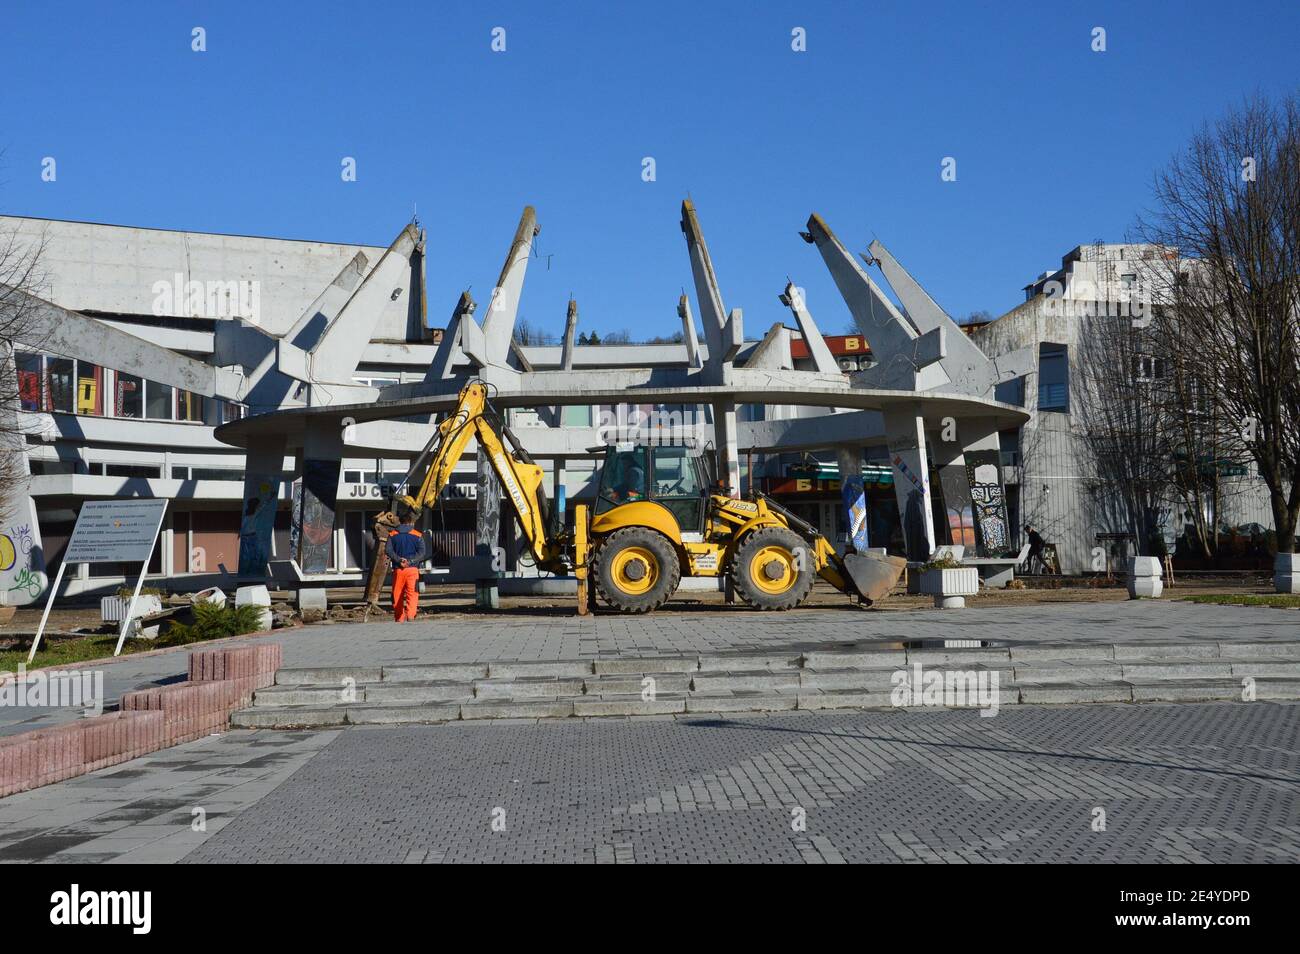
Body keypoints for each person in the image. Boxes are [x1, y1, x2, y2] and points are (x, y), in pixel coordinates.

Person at [385, 515, 426, 622]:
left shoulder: (392, 535)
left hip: (398, 570)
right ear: (410, 523)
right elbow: (422, 553)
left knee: (397, 594)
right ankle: (411, 615)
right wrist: (411, 561)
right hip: (412, 570)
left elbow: (388, 551)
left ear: (400, 522)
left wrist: (399, 560)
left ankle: (399, 617)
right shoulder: (418, 535)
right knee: (412, 593)